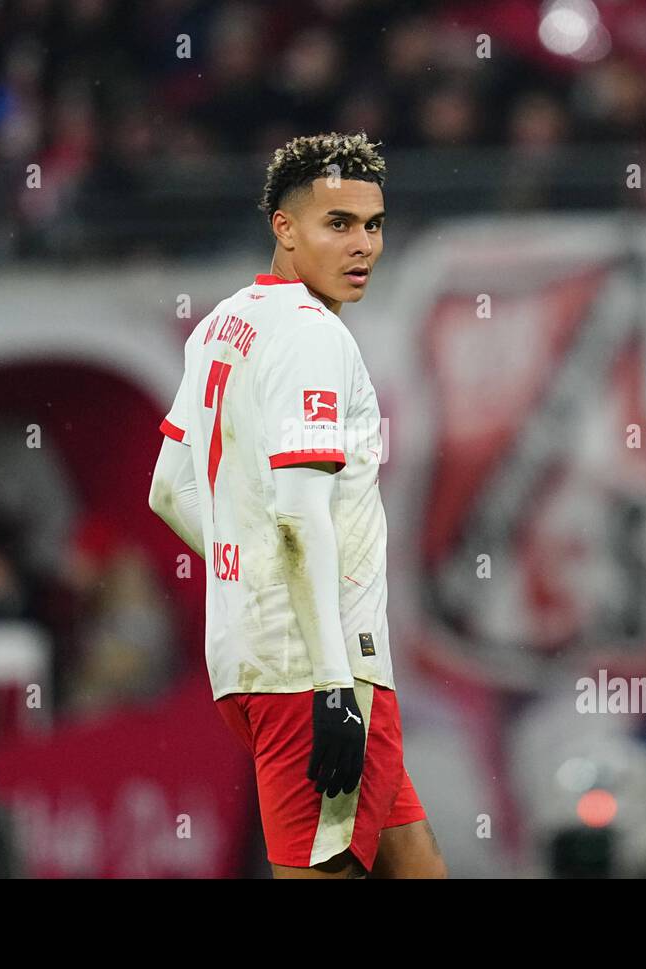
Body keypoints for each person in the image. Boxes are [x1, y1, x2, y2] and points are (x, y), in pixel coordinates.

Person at [149, 131, 444, 878]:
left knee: (416, 864)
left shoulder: (221, 324)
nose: (363, 246)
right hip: (317, 670)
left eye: (373, 225)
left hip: (248, 661)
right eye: (337, 224)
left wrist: (245, 570)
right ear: (284, 227)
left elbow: (168, 488)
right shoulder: (315, 339)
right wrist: (332, 678)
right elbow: (299, 515)